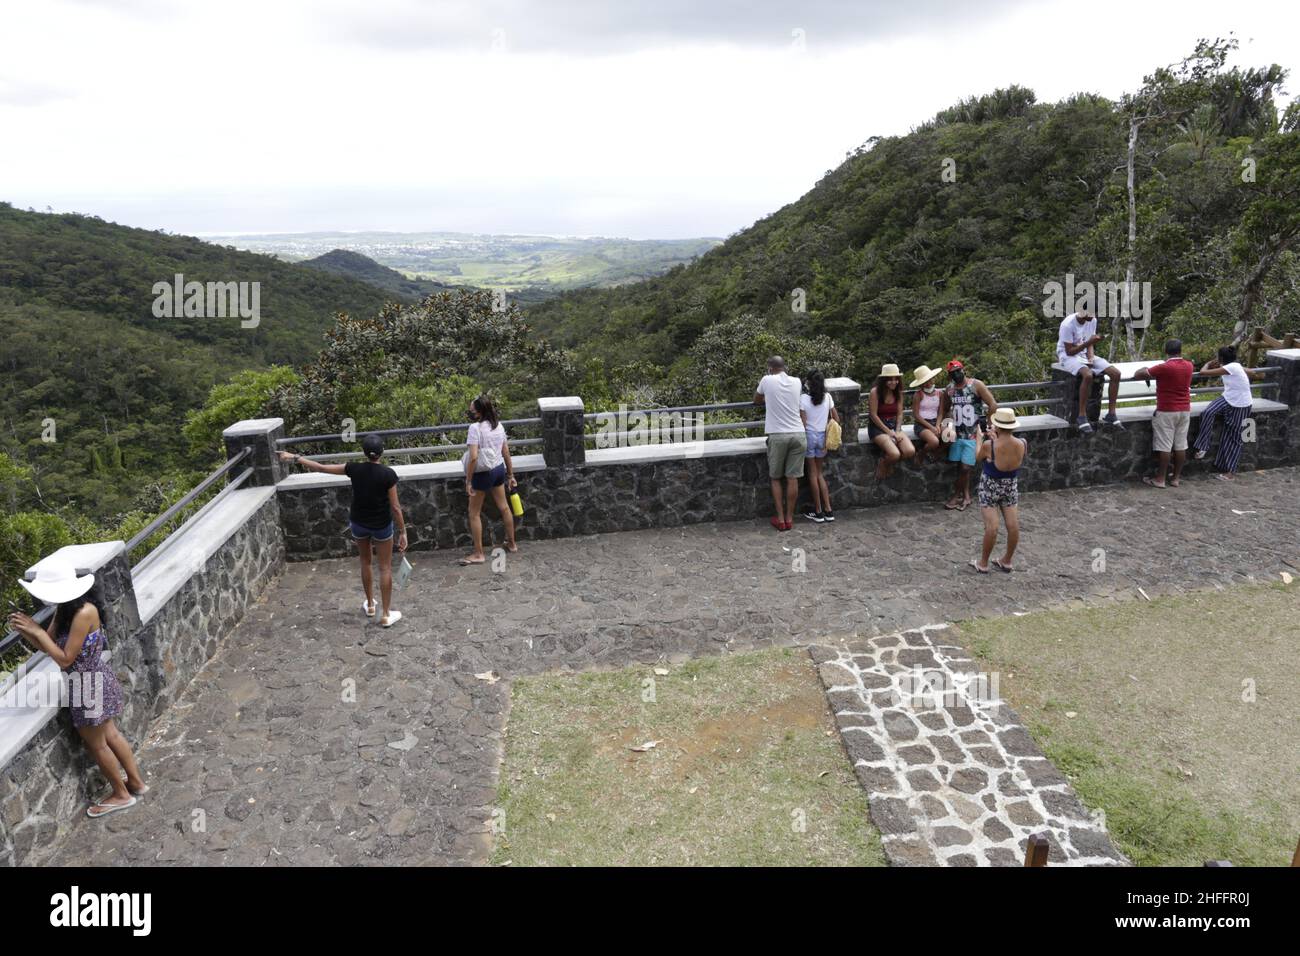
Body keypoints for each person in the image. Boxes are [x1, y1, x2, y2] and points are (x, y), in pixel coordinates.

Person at [8, 558, 146, 818]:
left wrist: (37, 632)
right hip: (89, 680)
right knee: (111, 735)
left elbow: (64, 658)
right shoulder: (65, 609)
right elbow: (47, 644)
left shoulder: (85, 613)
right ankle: (136, 783)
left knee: (99, 744)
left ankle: (121, 795)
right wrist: (28, 631)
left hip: (87, 684)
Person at [279, 433, 408, 627]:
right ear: (382, 452)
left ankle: (371, 605)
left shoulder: (353, 468)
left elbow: (321, 467)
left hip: (359, 523)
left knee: (365, 563)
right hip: (381, 525)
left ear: (364, 452)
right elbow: (396, 508)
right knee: (385, 568)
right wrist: (403, 531)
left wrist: (295, 457)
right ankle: (386, 614)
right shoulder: (388, 474)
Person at [460, 394, 518, 564]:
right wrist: (511, 475)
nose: (470, 413)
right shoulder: (498, 426)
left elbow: (473, 458)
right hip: (499, 469)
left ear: (478, 412)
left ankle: (478, 553)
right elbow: (505, 452)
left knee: (474, 513)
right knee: (504, 508)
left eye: (471, 410)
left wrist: (468, 481)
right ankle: (512, 543)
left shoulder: (474, 428)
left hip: (483, 473)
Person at [970, 407, 1027, 573]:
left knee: (992, 527)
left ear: (998, 426)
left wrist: (980, 440)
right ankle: (1007, 560)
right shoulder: (1022, 443)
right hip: (1010, 486)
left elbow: (978, 457)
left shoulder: (990, 445)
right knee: (1013, 525)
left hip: (990, 487)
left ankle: (983, 563)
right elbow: (1007, 454)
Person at [1133, 339, 1194, 489]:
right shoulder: (1189, 365)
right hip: (1184, 409)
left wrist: (1144, 367)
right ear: (1181, 350)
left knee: (1164, 446)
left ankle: (1160, 479)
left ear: (1166, 351)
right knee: (1181, 445)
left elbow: (1138, 375)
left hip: (1167, 410)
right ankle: (1176, 478)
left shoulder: (1163, 367)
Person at [755, 356, 807, 531]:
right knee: (792, 478)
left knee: (776, 478)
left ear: (770, 367)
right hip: (799, 434)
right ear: (785, 367)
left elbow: (757, 399)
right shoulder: (797, 381)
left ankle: (780, 519)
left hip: (778, 435)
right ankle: (790, 518)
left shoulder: (766, 380)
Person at [1191, 345, 1258, 481]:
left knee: (1233, 437)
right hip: (1228, 398)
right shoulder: (1236, 366)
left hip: (1241, 404)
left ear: (1221, 358)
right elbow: (1251, 372)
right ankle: (1203, 446)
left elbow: (1203, 373)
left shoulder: (1232, 367)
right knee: (1208, 412)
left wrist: (1208, 364)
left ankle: (1230, 472)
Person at [943, 359, 998, 511]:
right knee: (960, 466)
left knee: (966, 467)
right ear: (950, 375)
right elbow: (945, 409)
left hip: (974, 434)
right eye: (953, 373)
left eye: (958, 370)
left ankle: (955, 496)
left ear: (963, 370)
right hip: (958, 433)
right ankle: (966, 497)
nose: (957, 374)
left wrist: (987, 423)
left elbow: (993, 404)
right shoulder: (949, 389)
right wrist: (947, 428)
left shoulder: (976, 385)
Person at [1056, 309, 1123, 432]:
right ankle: (1081, 416)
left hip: (1084, 354)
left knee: (1116, 374)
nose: (1094, 316)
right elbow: (1069, 351)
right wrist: (1089, 343)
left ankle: (1111, 414)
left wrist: (1091, 357)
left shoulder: (1092, 320)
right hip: (1068, 356)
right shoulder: (1068, 324)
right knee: (1088, 375)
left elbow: (1090, 343)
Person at [799, 369, 840, 523]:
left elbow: (803, 423)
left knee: (812, 474)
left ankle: (818, 511)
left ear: (808, 383)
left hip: (809, 436)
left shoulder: (803, 399)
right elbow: (836, 418)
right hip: (823, 437)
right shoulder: (828, 397)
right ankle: (828, 509)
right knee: (820, 474)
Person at [867, 363, 915, 480]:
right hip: (877, 427)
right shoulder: (875, 392)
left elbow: (899, 413)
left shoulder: (897, 392)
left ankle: (889, 463)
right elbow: (873, 415)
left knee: (910, 451)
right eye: (890, 380)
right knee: (894, 454)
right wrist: (889, 432)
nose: (894, 382)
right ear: (883, 380)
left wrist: (898, 430)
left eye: (896, 379)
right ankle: (884, 463)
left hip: (893, 425)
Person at [909, 364, 944, 465]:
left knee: (950, 437)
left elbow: (940, 412)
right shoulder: (918, 395)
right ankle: (921, 453)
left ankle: (937, 452)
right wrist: (931, 428)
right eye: (924, 382)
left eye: (929, 380)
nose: (927, 383)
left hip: (935, 421)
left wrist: (937, 425)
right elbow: (916, 415)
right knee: (934, 441)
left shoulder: (940, 393)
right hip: (922, 424)